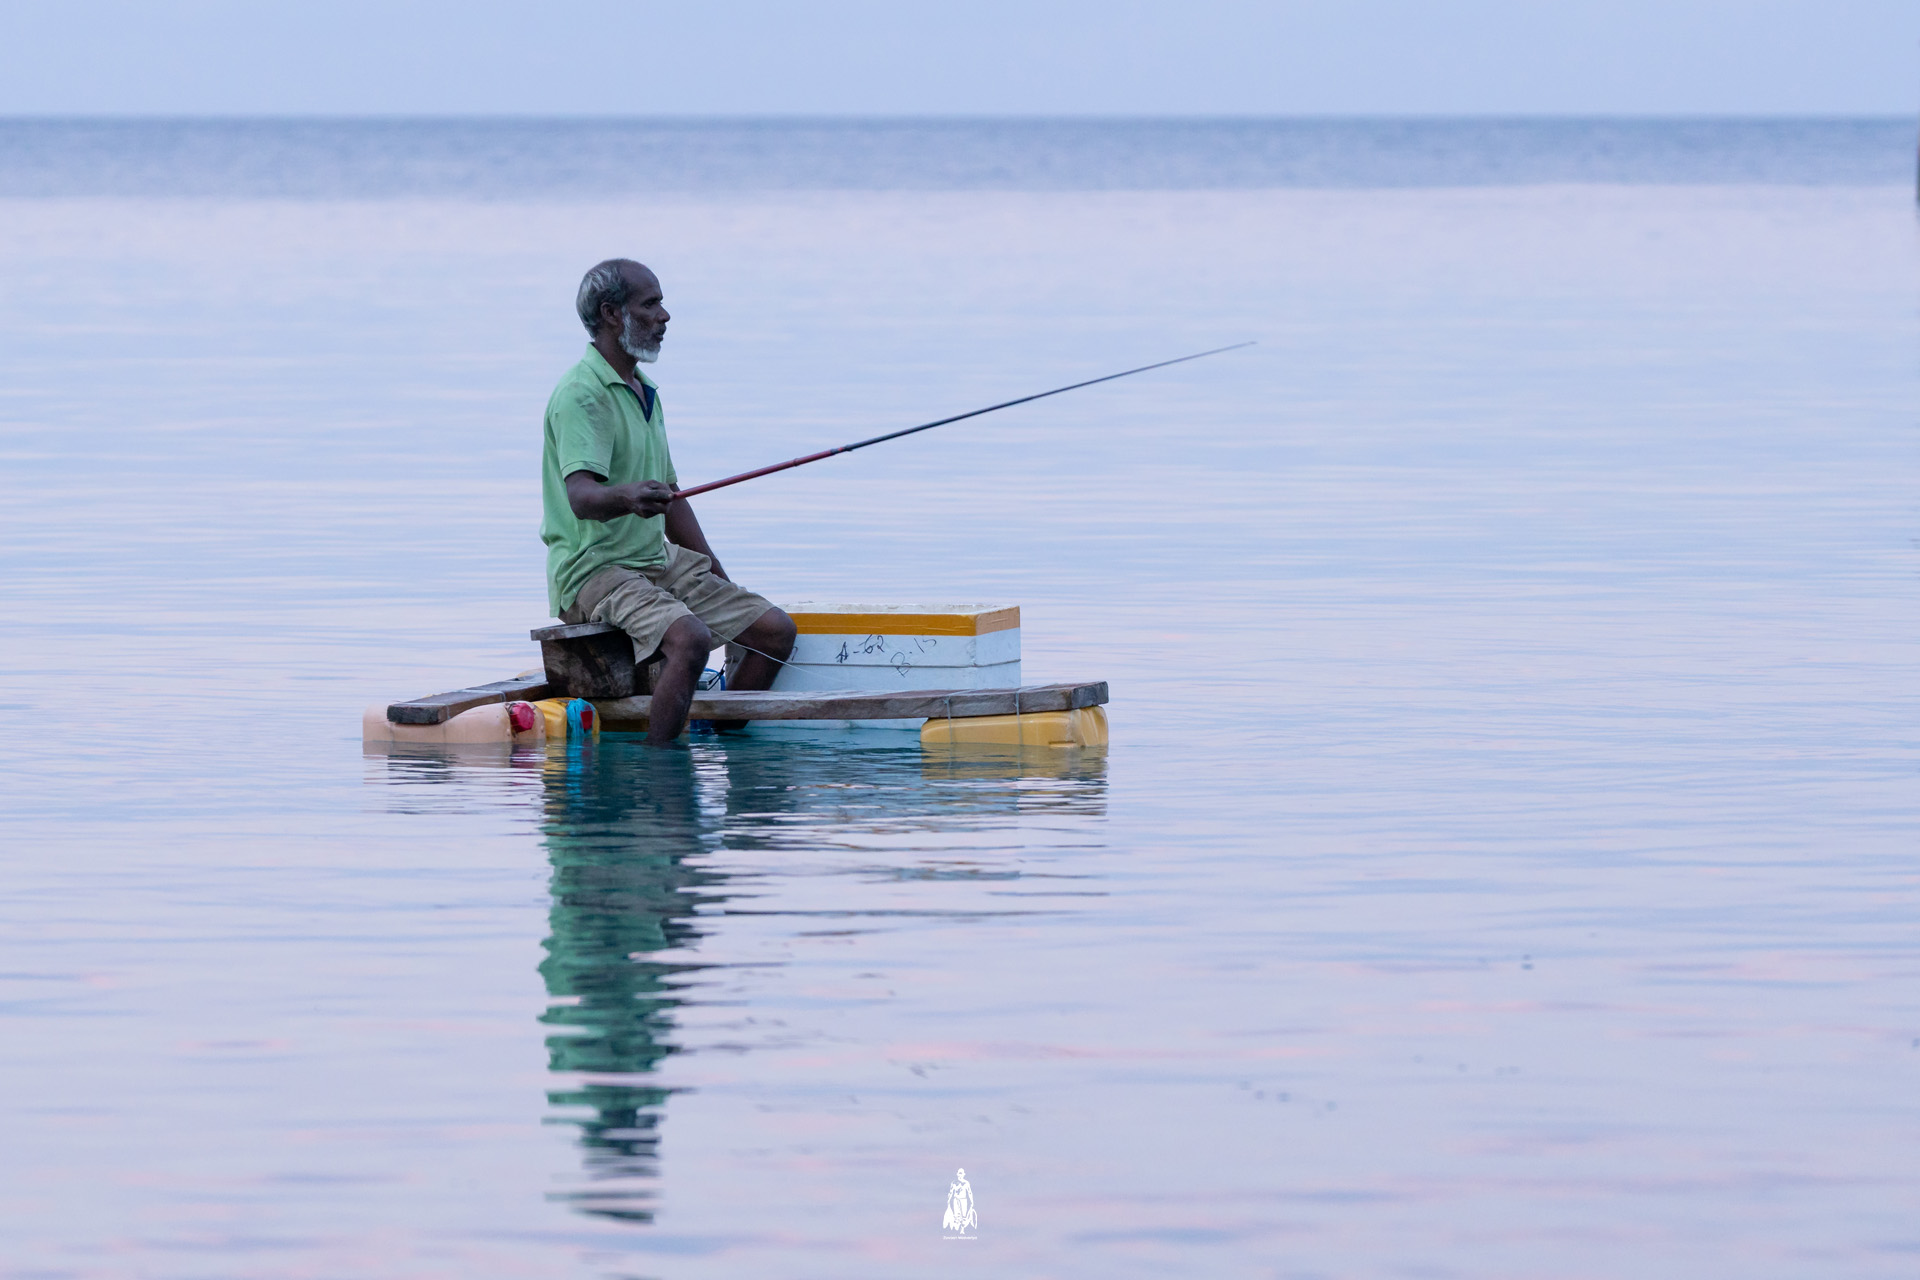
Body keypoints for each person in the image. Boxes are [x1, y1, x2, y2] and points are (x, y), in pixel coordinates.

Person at [541, 258, 796, 745]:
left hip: (655, 559)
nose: (665, 316)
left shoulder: (646, 391)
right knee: (690, 639)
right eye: (651, 304)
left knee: (774, 632)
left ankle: (721, 737)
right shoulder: (582, 394)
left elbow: (673, 498)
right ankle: (662, 772)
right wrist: (628, 496)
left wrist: (715, 569)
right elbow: (581, 497)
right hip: (592, 569)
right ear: (613, 314)